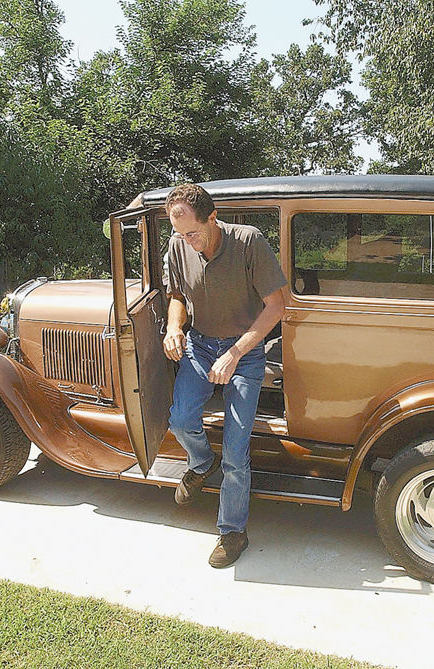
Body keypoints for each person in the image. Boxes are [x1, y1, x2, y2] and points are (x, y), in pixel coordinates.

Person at [159, 183, 286, 568]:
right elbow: (177, 295)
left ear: (213, 218)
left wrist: (235, 353)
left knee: (235, 449)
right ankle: (200, 463)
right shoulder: (179, 245)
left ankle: (232, 531)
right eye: (179, 234)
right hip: (200, 344)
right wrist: (173, 328)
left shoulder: (249, 242)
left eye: (192, 233)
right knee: (180, 419)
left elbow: (276, 306)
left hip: (245, 353)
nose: (186, 241)